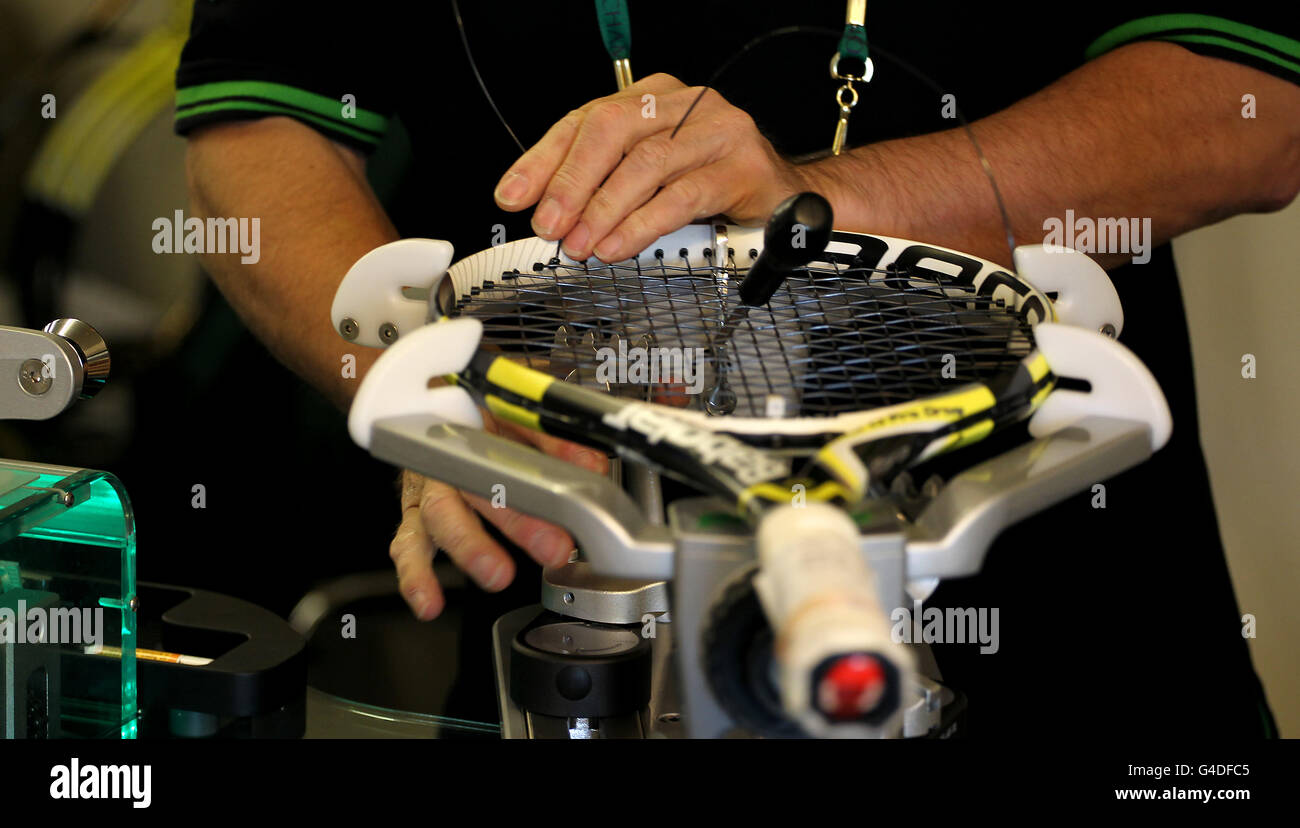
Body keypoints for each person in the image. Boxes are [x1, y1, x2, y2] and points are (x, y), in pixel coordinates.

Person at [177, 1, 1297, 734]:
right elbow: (259, 121)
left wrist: (826, 212)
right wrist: (421, 383)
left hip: (1090, 658)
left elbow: (1254, 105)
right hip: (574, 640)